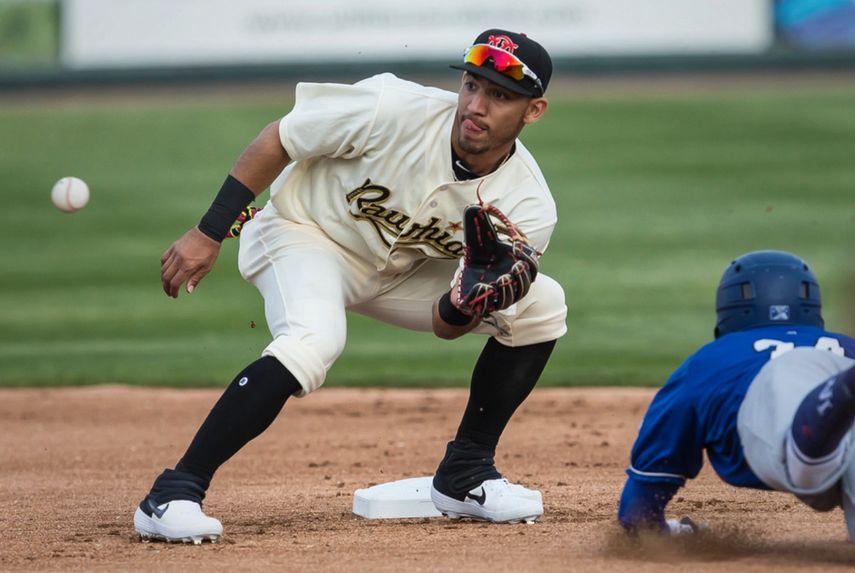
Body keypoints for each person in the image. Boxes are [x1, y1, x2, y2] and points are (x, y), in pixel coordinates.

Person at [134, 29, 568, 543]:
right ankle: (174, 492)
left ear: (533, 111)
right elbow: (279, 138)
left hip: (398, 272)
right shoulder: (393, 107)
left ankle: (464, 474)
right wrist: (208, 233)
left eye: (500, 96)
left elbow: (444, 326)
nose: (476, 105)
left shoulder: (526, 207)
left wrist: (459, 303)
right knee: (315, 341)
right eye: (472, 85)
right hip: (302, 233)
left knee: (542, 304)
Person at [618, 250, 855, 539]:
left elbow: (638, 514)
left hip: (799, 443)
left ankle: (830, 409)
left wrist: (662, 531)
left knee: (796, 429)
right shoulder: (846, 346)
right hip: (831, 421)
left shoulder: (709, 362)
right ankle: (837, 398)